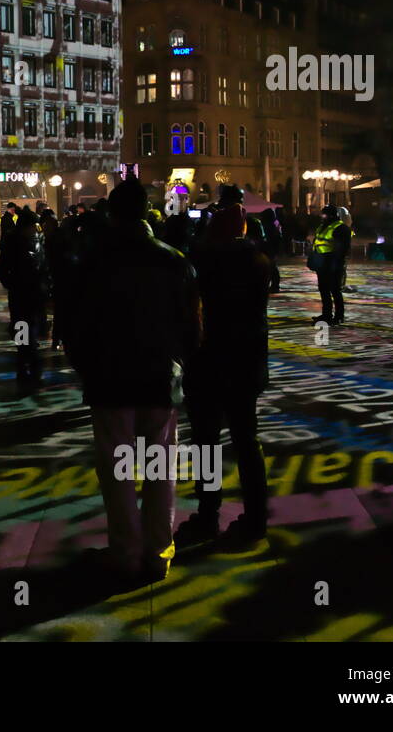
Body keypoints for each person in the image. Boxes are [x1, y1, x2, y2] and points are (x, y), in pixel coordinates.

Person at [76, 176, 200, 585]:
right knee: (161, 466)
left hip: (110, 378)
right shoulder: (175, 260)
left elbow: (80, 325)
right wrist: (182, 365)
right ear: (148, 212)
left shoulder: (94, 261)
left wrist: (86, 368)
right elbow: (191, 327)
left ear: (112, 214)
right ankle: (159, 552)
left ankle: (126, 551)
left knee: (116, 470)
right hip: (159, 377)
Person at [175, 204, 271, 547]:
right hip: (245, 362)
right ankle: (256, 518)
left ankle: (208, 513)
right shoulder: (257, 262)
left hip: (207, 361)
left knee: (206, 442)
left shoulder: (198, 262)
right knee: (247, 441)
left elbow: (188, 311)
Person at [0, 207, 50, 395]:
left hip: (33, 293)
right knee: (22, 328)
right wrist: (13, 284)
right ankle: (26, 363)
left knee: (30, 328)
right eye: (33, 225)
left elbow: (44, 266)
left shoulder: (38, 241)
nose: (36, 229)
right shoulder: (15, 242)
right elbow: (2, 269)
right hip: (22, 293)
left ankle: (29, 363)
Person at [310, 204, 351, 325]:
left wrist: (336, 263)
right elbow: (317, 242)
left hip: (333, 263)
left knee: (335, 290)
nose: (322, 216)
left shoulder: (341, 228)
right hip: (321, 262)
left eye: (324, 214)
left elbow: (342, 248)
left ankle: (339, 316)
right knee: (323, 290)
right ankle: (326, 314)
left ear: (331, 215)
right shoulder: (322, 226)